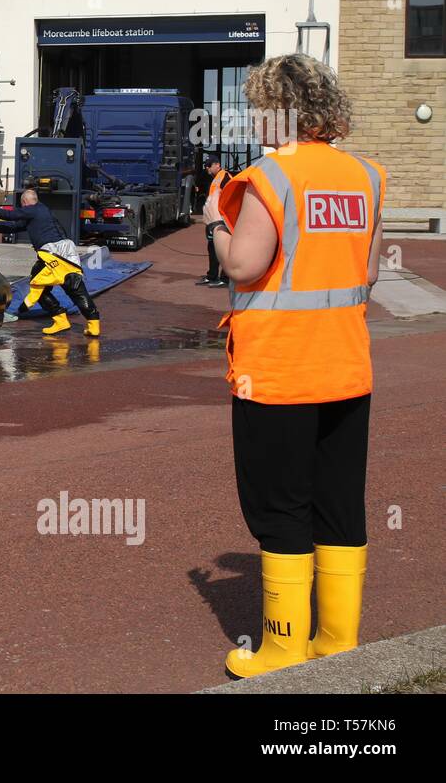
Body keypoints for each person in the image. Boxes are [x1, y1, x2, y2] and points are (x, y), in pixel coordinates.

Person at [204, 53, 384, 679]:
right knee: (339, 503)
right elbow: (367, 273)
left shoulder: (270, 177)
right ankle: (337, 642)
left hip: (279, 370)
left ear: (279, 110)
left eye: (258, 109)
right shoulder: (364, 175)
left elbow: (244, 266)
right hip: (345, 367)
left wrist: (212, 227)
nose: (254, 120)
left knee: (279, 506)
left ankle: (282, 647)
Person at [0, 189, 101, 336]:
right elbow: (17, 226)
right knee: (75, 288)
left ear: (24, 202)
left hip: (51, 255)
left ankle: (59, 319)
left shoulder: (32, 210)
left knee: (38, 286)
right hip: (67, 254)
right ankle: (93, 324)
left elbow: (11, 215)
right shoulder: (41, 211)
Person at [197, 156, 230, 288]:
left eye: (209, 165)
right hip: (214, 219)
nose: (207, 168)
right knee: (212, 247)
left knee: (223, 247)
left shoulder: (225, 177)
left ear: (217, 164)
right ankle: (212, 275)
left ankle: (225, 278)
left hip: (222, 219)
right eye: (206, 165)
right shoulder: (215, 178)